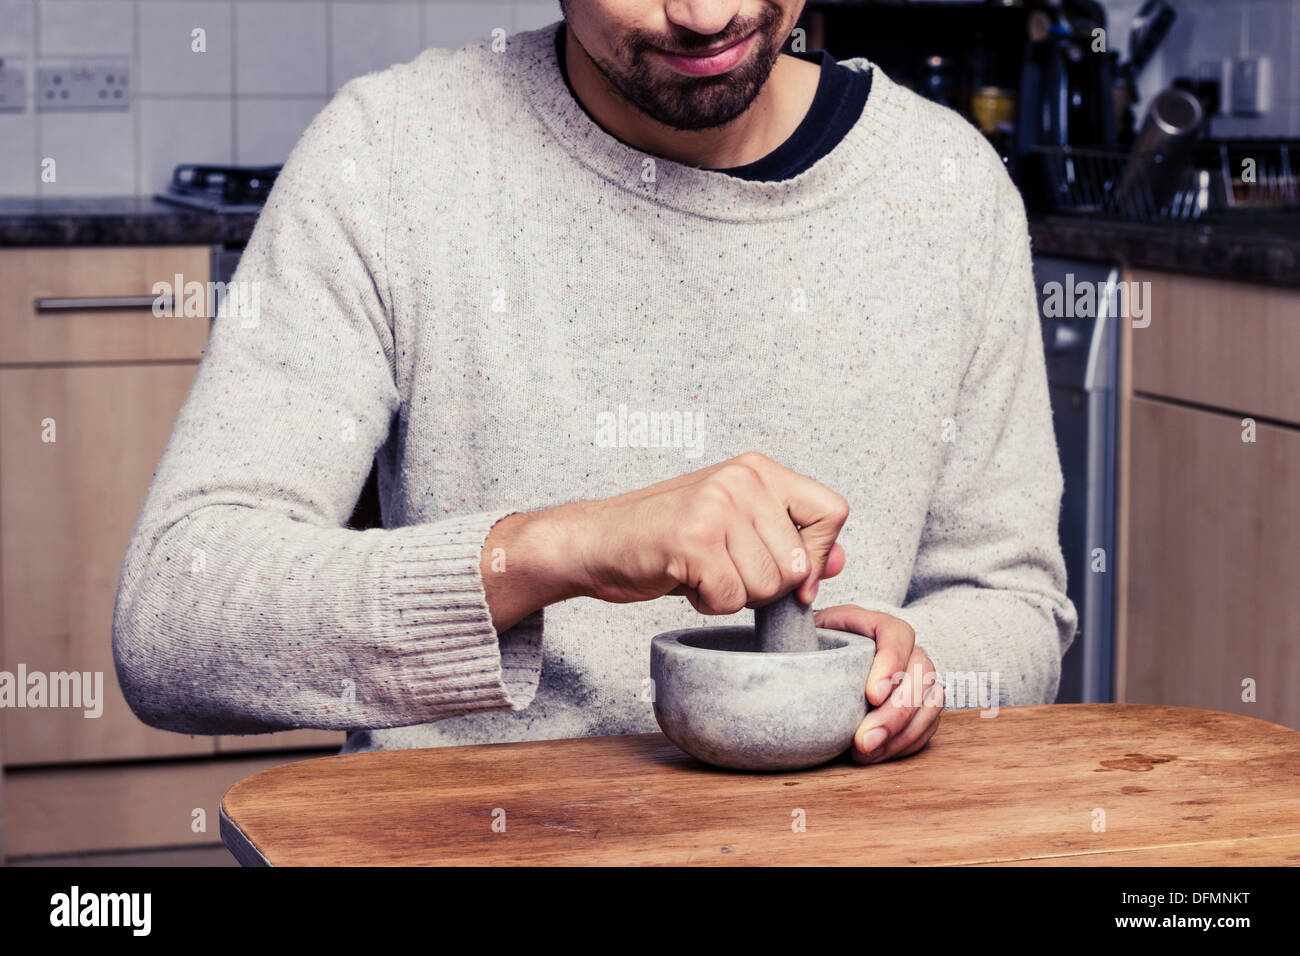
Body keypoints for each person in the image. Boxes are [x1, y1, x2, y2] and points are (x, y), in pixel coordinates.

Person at [113, 2, 1077, 767]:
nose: (706, 14)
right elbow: (174, 623)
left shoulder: (948, 186)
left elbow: (1012, 603)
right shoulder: (391, 158)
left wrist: (916, 669)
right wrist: (559, 549)